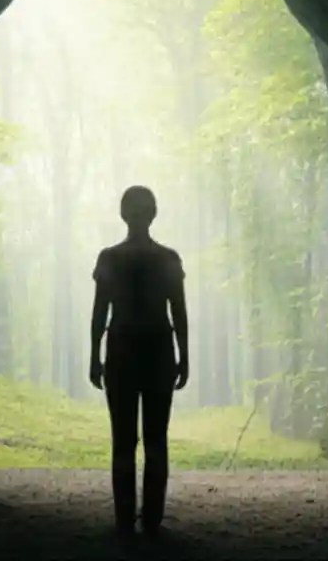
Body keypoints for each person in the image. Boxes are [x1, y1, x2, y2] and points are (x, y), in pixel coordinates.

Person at [89, 185, 190, 536]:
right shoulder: (168, 259)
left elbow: (100, 312)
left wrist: (93, 357)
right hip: (160, 353)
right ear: (153, 214)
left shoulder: (109, 258)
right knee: (156, 438)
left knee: (123, 439)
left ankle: (123, 517)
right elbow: (178, 311)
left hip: (120, 354)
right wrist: (185, 356)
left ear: (123, 214)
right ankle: (152, 519)